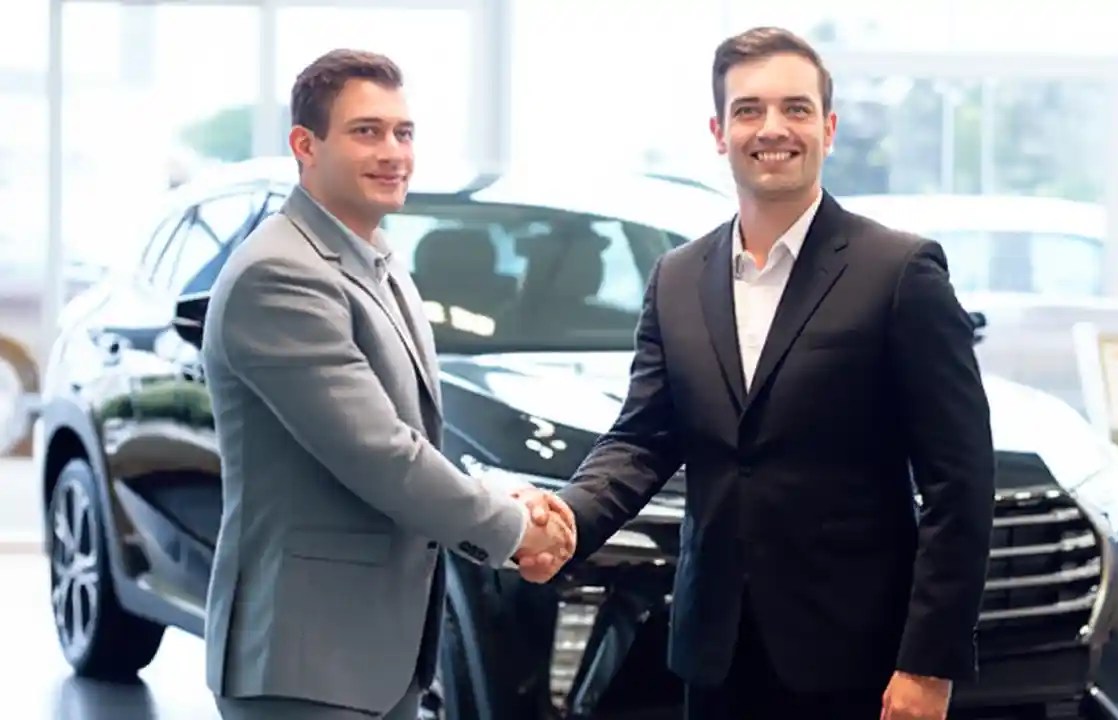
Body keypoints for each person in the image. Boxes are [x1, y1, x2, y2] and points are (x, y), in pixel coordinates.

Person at [518, 27, 996, 720]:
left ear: (828, 128)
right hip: (715, 653)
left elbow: (961, 481)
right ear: (719, 132)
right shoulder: (678, 278)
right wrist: (570, 517)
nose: (773, 128)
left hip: (858, 659)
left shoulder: (899, 272)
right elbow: (642, 438)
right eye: (749, 110)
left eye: (795, 108)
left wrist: (929, 662)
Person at [201, 49, 574, 720]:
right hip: (304, 658)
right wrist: (516, 529)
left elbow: (410, 435)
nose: (393, 152)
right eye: (366, 131)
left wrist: (504, 494)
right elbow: (378, 454)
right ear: (304, 145)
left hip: (378, 654)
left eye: (403, 133)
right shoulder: (280, 274)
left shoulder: (378, 262)